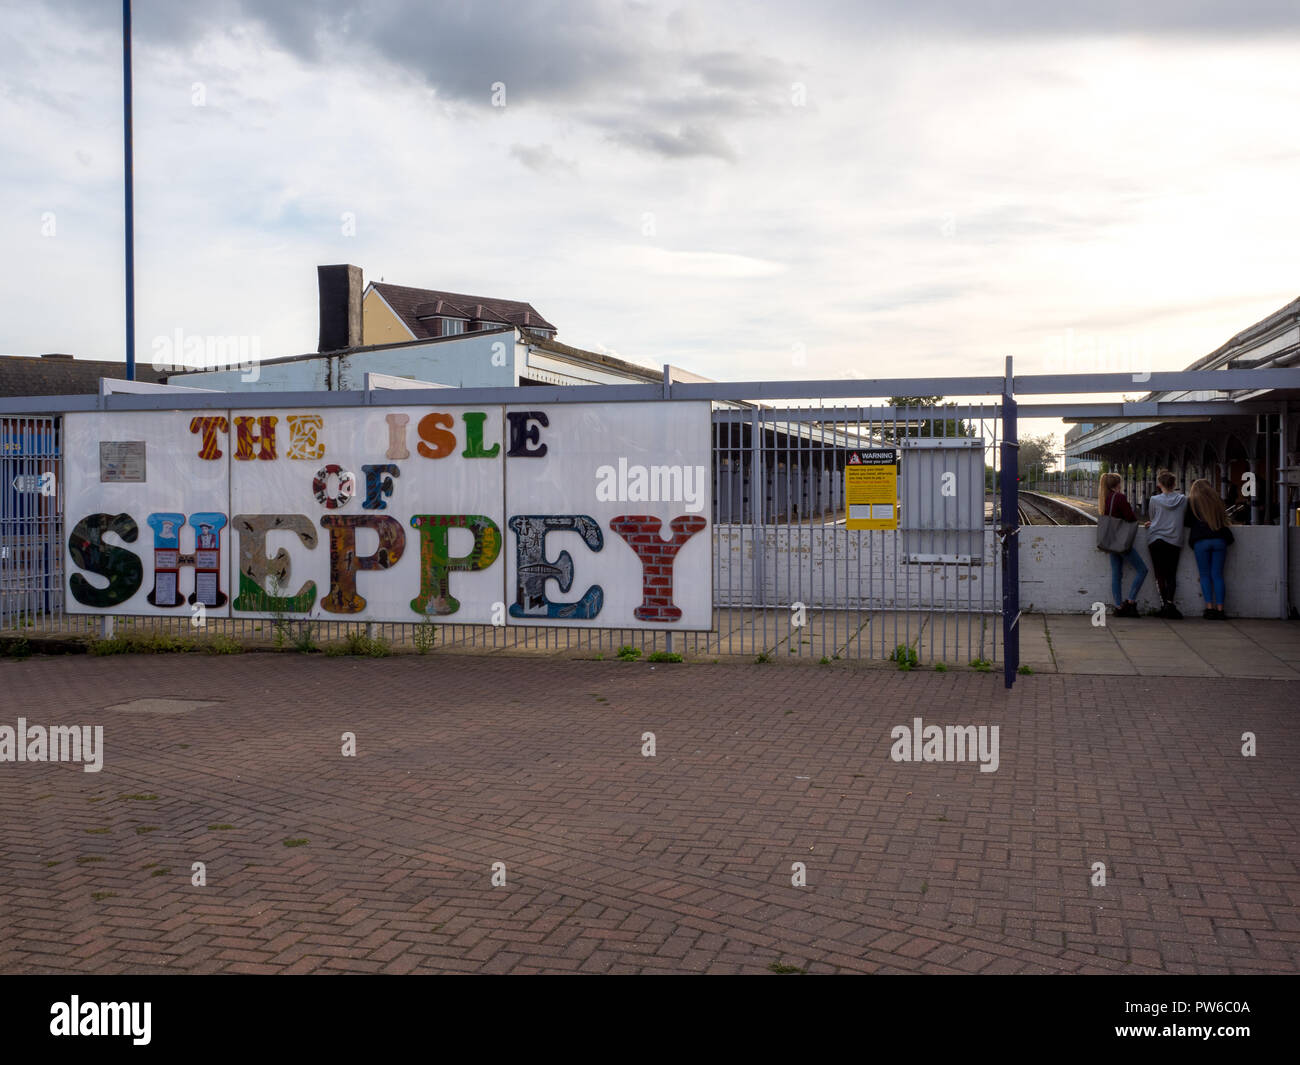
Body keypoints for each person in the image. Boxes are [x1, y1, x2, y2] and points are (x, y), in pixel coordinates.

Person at [1098, 472, 1147, 617]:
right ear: (1117, 484)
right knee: (1142, 570)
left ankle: (1118, 606)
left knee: (1116, 574)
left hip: (1110, 542)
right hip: (1121, 542)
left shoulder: (1104, 498)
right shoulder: (1118, 497)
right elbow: (1130, 517)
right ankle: (1130, 602)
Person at [1185, 478, 1234, 620]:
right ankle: (1220, 609)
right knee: (1218, 576)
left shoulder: (1192, 502)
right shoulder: (1217, 500)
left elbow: (1187, 522)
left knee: (1205, 575)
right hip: (1219, 539)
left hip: (1201, 541)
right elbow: (1225, 519)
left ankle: (1209, 608)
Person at [1143, 470, 1188, 618]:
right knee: (1171, 574)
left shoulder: (1154, 500)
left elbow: (1153, 517)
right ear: (1174, 484)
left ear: (1159, 484)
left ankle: (1164, 606)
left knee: (1159, 574)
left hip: (1156, 539)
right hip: (1174, 540)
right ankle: (1170, 604)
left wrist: (1154, 523)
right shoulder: (1183, 500)